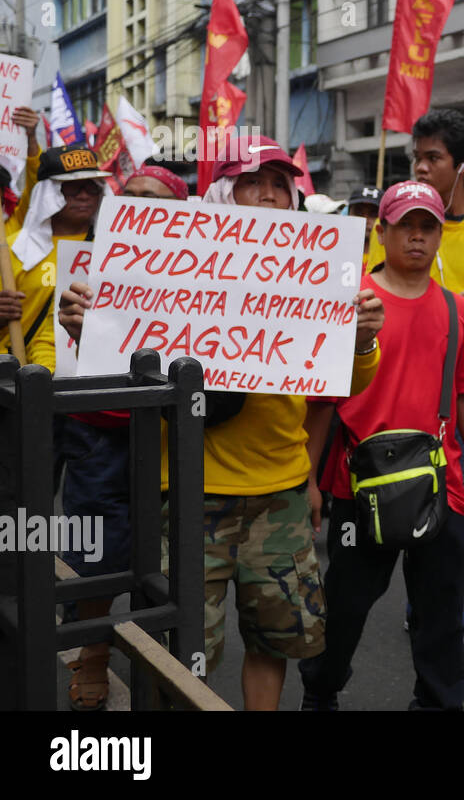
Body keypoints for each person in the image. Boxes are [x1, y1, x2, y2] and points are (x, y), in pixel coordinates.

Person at [61, 135, 385, 710]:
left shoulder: (322, 275)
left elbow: (339, 389)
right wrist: (92, 332)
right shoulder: (173, 265)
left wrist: (361, 342)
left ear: (294, 199)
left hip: (279, 493)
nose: (265, 195)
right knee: (180, 648)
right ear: (222, 194)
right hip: (185, 494)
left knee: (274, 639)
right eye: (251, 182)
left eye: (279, 185)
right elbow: (127, 374)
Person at [299, 180, 464, 710]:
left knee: (440, 612)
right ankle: (320, 692)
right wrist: (310, 482)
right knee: (346, 605)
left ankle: (435, 701)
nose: (416, 237)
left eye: (427, 226)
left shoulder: (460, 313)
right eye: (405, 225)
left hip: (442, 487)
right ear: (381, 231)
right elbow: (321, 401)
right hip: (359, 488)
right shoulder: (352, 303)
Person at [366, 109, 464, 676]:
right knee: (388, 538)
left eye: (434, 159)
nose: (422, 168)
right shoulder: (387, 228)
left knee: (448, 515)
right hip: (399, 401)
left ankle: (457, 631)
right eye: (415, 159)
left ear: (463, 165)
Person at [47, 162, 188, 710]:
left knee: (169, 562)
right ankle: (95, 655)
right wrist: (75, 324)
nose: (140, 205)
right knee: (99, 557)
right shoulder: (85, 268)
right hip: (98, 432)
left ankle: (157, 663)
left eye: (156, 199)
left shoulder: (205, 276)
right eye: (131, 196)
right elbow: (76, 344)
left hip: (174, 435)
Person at [1, 144, 109, 364]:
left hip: (86, 379)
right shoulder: (12, 250)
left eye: (92, 186)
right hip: (19, 377)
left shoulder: (116, 251)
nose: (84, 195)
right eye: (72, 187)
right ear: (48, 194)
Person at [348, 186, 381, 260]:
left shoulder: (391, 260)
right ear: (348, 214)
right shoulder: (333, 256)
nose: (365, 220)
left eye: (373, 214)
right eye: (358, 213)